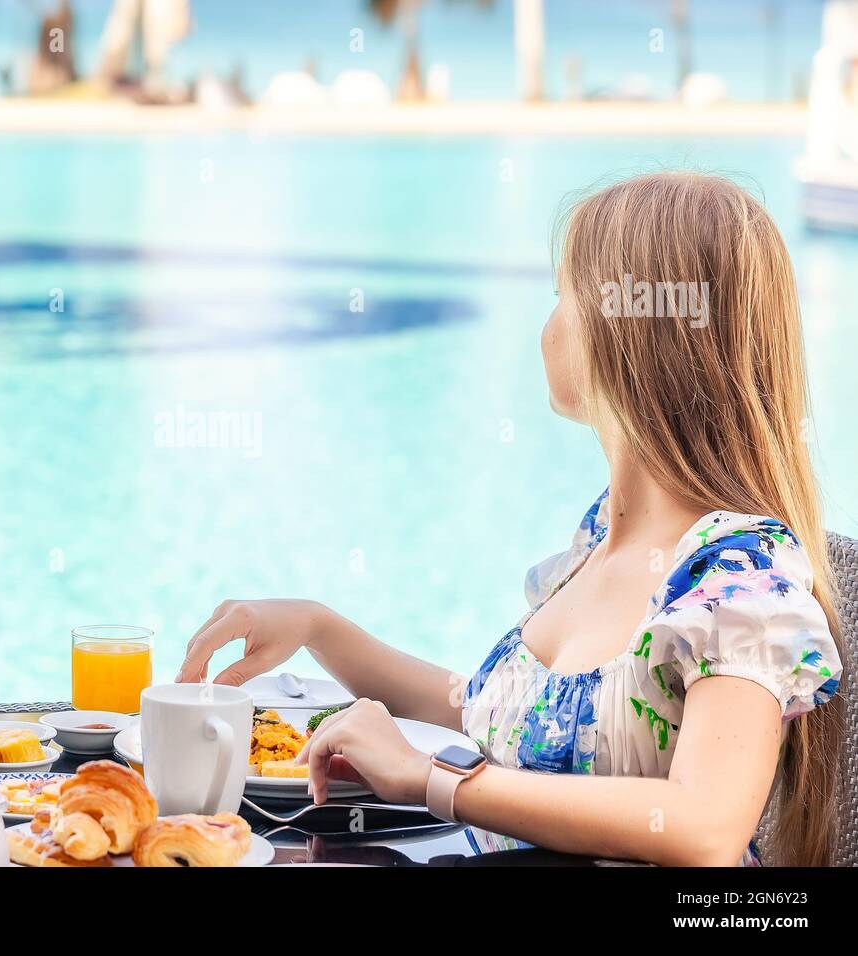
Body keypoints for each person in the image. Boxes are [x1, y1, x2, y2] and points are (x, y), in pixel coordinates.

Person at [175, 172, 845, 866]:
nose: (549, 325)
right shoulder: (601, 542)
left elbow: (705, 825)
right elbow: (493, 714)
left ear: (632, 334)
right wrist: (319, 628)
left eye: (563, 295)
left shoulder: (733, 574)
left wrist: (436, 781)